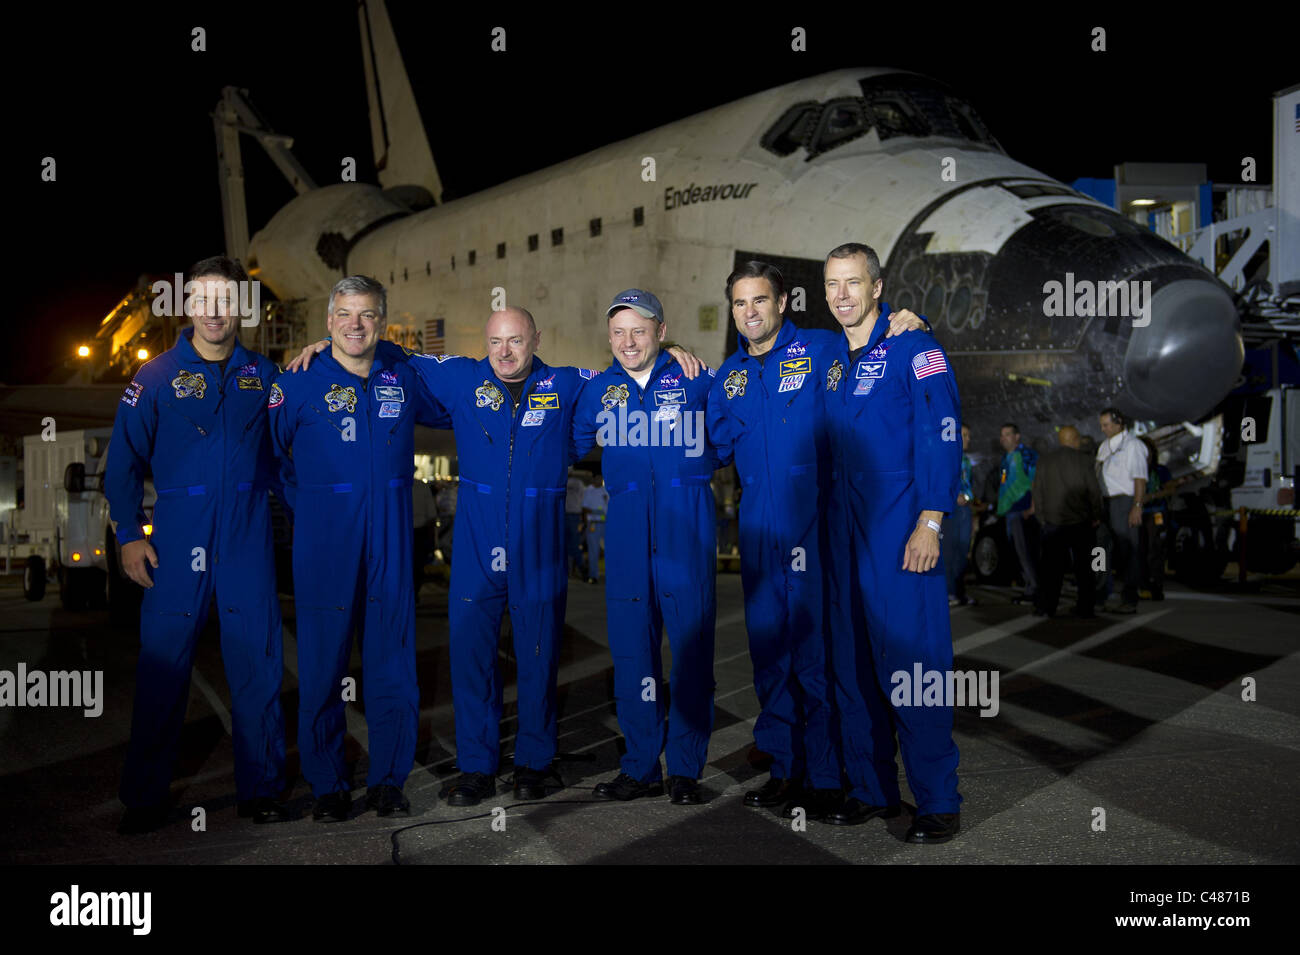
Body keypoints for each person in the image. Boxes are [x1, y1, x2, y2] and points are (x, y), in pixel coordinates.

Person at [290, 310, 705, 805]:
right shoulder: (461, 376)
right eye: (494, 341)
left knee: (537, 656)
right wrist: (328, 343)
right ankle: (475, 768)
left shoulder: (570, 382)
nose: (504, 352)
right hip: (476, 544)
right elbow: (391, 350)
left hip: (539, 542)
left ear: (536, 339)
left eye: (515, 341)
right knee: (471, 660)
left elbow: (630, 370)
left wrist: (675, 353)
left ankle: (534, 763)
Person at [706, 259, 925, 820]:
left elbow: (876, 361)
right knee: (771, 660)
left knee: (820, 659)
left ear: (783, 303)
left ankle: (829, 776)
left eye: (760, 300)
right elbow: (710, 449)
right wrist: (676, 362)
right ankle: (786, 768)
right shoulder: (728, 377)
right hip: (759, 537)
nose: (749, 312)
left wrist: (905, 323)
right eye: (739, 303)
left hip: (818, 533)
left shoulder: (824, 351)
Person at [106, 255, 289, 833]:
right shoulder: (154, 377)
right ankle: (144, 798)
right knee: (164, 669)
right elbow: (123, 464)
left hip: (246, 536)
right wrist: (130, 535)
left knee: (258, 664)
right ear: (188, 307)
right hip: (178, 538)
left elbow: (294, 447)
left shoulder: (265, 375)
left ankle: (262, 788)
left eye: (227, 301)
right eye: (205, 301)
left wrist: (314, 361)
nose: (216, 313)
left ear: (242, 308)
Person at [269, 275, 450, 821]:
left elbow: (466, 396)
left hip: (391, 540)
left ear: (381, 321)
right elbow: (272, 457)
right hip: (326, 543)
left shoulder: (404, 373)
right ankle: (327, 783)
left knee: (392, 661)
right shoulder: (296, 383)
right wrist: (313, 508)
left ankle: (387, 780)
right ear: (327, 322)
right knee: (323, 665)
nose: (355, 324)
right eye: (345, 315)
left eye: (367, 315)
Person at [819, 242, 963, 843]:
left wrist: (931, 519)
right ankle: (871, 789)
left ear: (878, 288)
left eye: (853, 283)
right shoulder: (827, 359)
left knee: (913, 664)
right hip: (839, 535)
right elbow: (763, 333)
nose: (842, 295)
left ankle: (937, 802)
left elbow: (942, 432)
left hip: (900, 532)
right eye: (832, 285)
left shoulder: (916, 347)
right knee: (852, 668)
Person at [572, 289, 720, 805]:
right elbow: (569, 439)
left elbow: (725, 439)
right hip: (629, 536)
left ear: (661, 330)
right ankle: (639, 767)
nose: (628, 341)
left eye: (640, 330)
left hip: (686, 531)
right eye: (618, 332)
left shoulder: (697, 377)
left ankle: (684, 769)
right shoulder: (598, 391)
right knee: (634, 655)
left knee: (692, 656)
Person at [1031, 425, 1103, 618]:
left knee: (1051, 570)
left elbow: (1037, 492)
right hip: (1081, 522)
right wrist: (1096, 515)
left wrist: (1042, 518)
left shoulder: (1045, 461)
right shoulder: (1084, 460)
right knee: (1085, 569)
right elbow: (1093, 491)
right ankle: (1085, 607)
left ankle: (1046, 607)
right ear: (1074, 439)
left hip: (1053, 524)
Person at [1096, 407, 1148, 614]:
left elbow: (1140, 479)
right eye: (1102, 425)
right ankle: (1099, 593)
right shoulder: (1104, 446)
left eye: (1107, 425)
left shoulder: (1133, 446)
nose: (1103, 429)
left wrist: (1137, 506)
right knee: (1099, 550)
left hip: (1124, 502)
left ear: (1119, 423)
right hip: (1105, 503)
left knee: (1128, 551)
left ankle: (1129, 598)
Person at [997, 423, 1039, 603]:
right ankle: (1029, 585)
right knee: (1017, 550)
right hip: (1009, 511)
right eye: (1002, 435)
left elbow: (1035, 479)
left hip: (1023, 510)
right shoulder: (1006, 458)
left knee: (1026, 551)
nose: (1003, 438)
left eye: (1007, 434)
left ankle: (1034, 589)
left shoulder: (1026, 454)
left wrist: (1033, 505)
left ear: (1017, 436)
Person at [943, 423, 976, 607]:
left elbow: (969, 485)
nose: (968, 439)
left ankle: (959, 592)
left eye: (969, 435)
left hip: (964, 510)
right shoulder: (946, 458)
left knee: (963, 552)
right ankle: (948, 593)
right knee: (949, 552)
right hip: (950, 511)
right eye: (964, 434)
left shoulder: (967, 461)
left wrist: (967, 497)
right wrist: (954, 497)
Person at [1138, 435, 1171, 601]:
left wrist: (1152, 496)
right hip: (1139, 513)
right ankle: (1144, 584)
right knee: (1141, 549)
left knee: (1155, 548)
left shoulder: (1160, 471)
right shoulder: (1134, 470)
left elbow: (1169, 489)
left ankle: (1156, 584)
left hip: (1156, 512)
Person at [581, 473, 609, 585]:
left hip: (606, 523)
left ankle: (613, 575)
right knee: (593, 551)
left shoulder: (605, 491)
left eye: (600, 478)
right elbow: (585, 508)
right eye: (597, 478)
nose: (599, 480)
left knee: (611, 550)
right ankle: (593, 575)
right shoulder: (589, 490)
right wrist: (595, 514)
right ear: (593, 478)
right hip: (593, 524)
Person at [413, 479, 436, 599]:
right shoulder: (422, 487)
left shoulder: (400, 486)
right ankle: (415, 591)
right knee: (418, 565)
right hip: (419, 531)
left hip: (405, 531)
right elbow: (431, 515)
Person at [565, 470, 588, 579]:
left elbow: (583, 500)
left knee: (574, 543)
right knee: (569, 544)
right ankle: (571, 569)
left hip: (573, 515)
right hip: (567, 515)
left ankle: (581, 567)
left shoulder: (577, 482)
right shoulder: (575, 482)